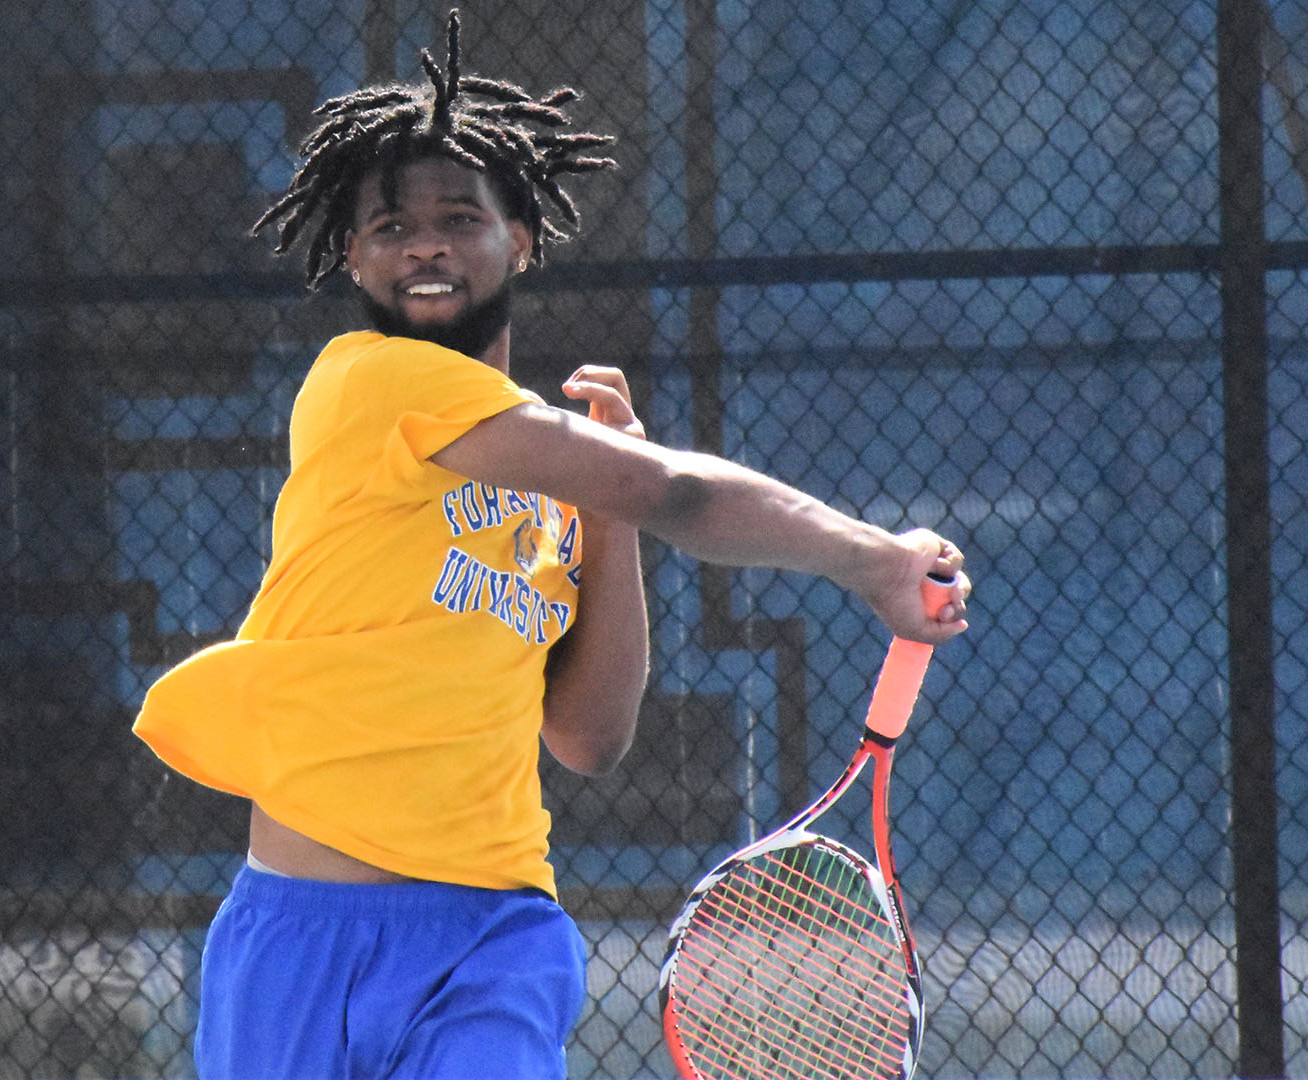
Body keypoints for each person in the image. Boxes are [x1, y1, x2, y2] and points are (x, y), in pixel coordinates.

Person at [132, 11, 970, 1079]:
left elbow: (588, 736)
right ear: (351, 254)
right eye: (390, 227)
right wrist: (872, 559)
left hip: (493, 940)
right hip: (302, 941)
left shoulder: (551, 481)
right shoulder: (369, 382)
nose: (424, 244)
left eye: (459, 218)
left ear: (521, 238)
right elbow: (672, 488)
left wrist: (605, 514)